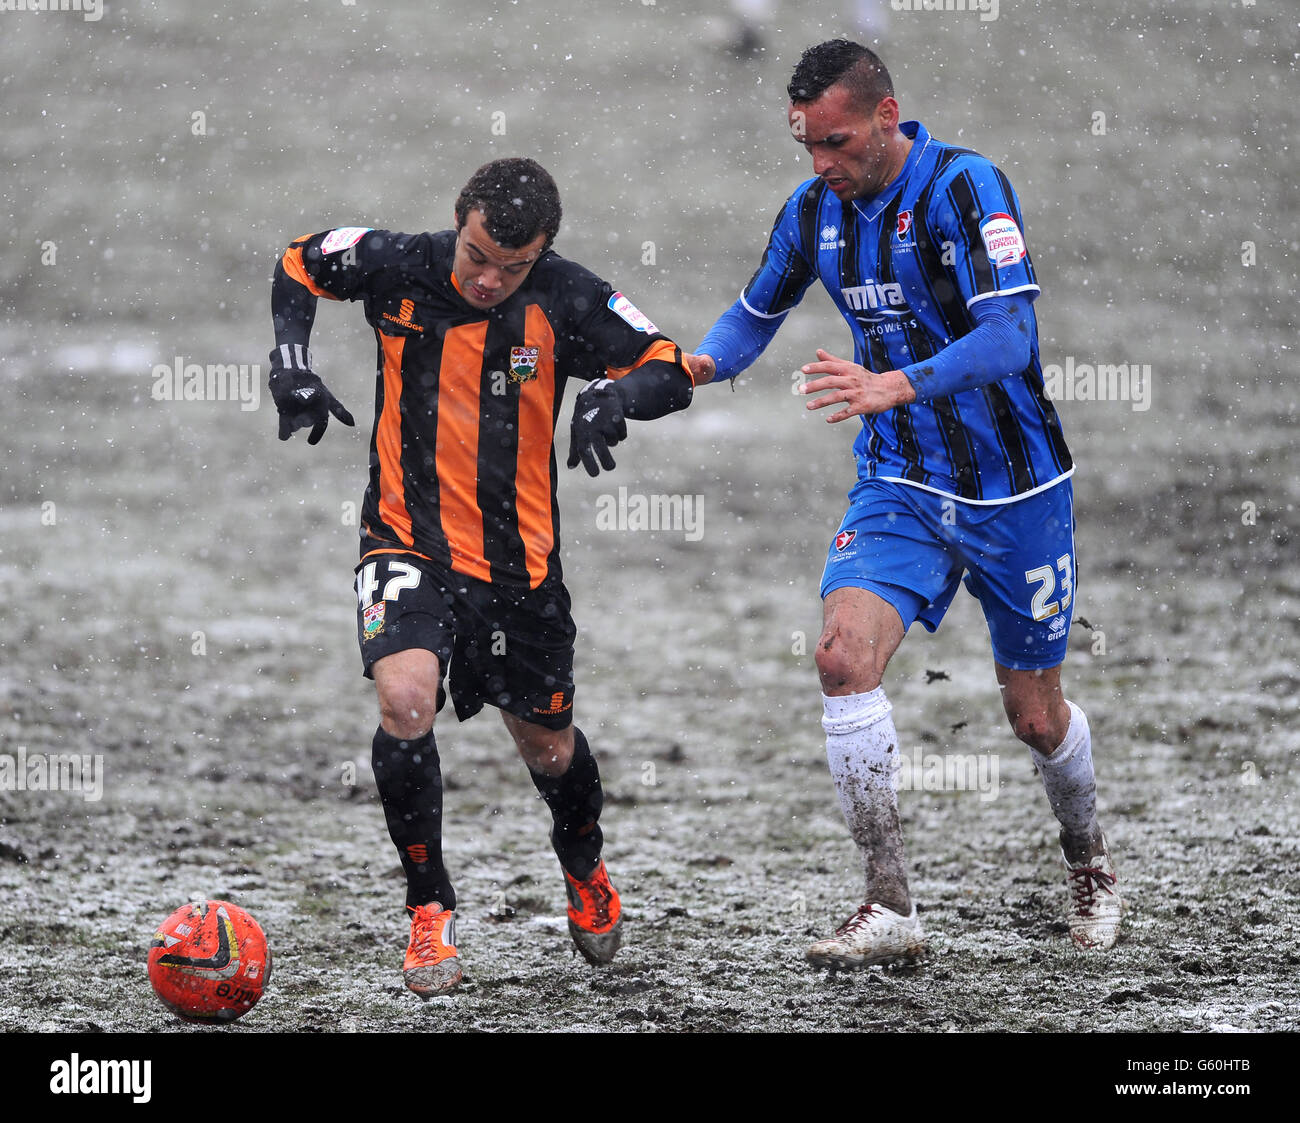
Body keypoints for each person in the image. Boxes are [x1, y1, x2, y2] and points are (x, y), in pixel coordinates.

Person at [684, 40, 1121, 966]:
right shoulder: (814, 210)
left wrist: (899, 384)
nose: (822, 165)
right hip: (900, 484)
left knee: (1035, 718)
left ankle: (1088, 860)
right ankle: (889, 905)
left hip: (1016, 487)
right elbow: (753, 315)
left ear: (888, 116)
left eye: (837, 143)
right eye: (807, 145)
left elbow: (1010, 336)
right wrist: (697, 365)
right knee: (842, 659)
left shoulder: (967, 188)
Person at [266, 157, 695, 996]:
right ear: (458, 222)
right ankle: (430, 909)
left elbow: (668, 363)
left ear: (543, 255)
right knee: (405, 700)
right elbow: (298, 262)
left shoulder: (568, 296)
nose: (490, 278)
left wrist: (617, 395)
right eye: (476, 256)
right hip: (403, 537)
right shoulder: (394, 262)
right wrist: (290, 362)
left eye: (514, 265)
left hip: (517, 569)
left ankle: (584, 864)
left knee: (548, 749)